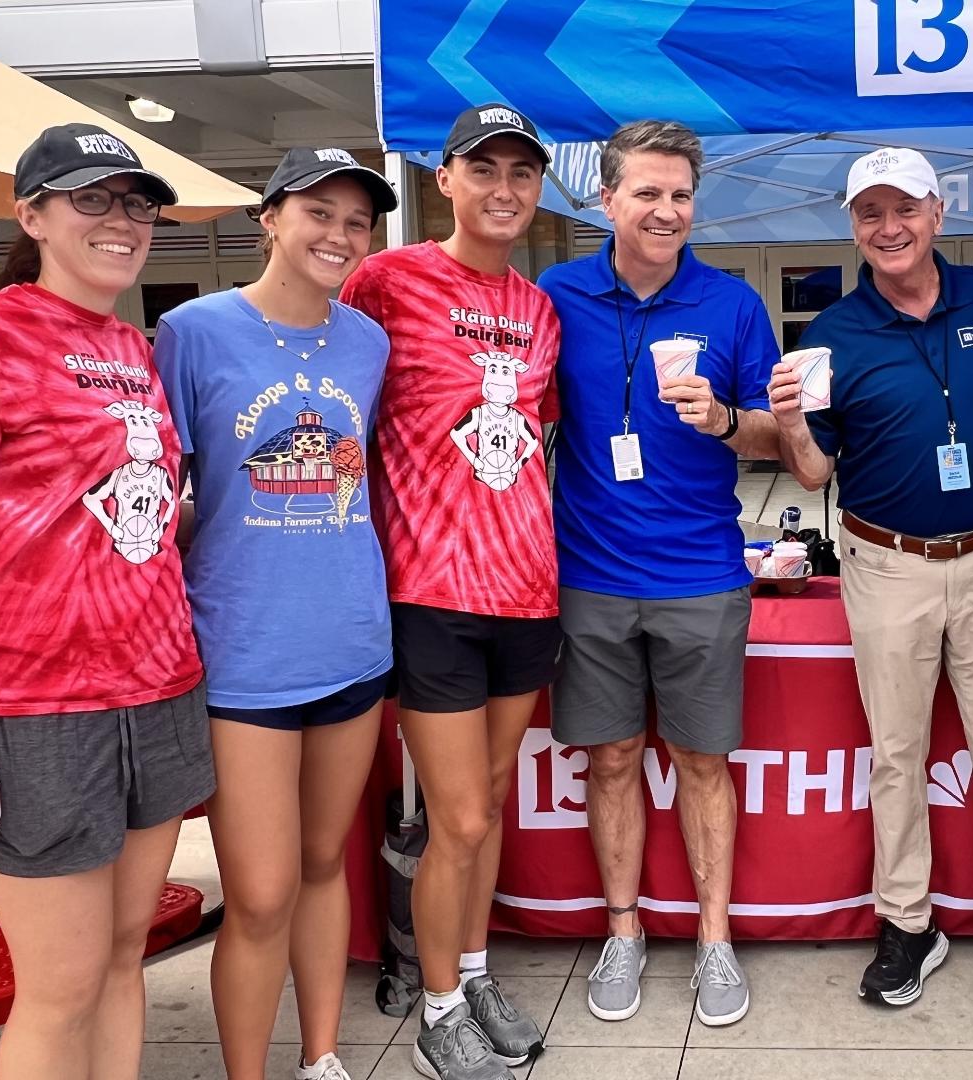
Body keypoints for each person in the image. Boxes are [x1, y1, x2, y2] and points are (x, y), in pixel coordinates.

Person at [0, 123, 211, 1080]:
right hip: (39, 713)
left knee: (123, 957)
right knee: (60, 987)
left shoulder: (130, 344)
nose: (123, 222)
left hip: (157, 691)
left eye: (137, 203)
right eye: (93, 199)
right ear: (31, 214)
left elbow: (122, 517)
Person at [768, 147, 973, 1016]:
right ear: (853, 225)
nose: (888, 229)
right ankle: (907, 923)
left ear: (937, 215)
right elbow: (814, 474)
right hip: (885, 562)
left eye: (904, 210)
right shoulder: (833, 332)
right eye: (869, 214)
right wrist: (787, 422)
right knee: (895, 755)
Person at [155, 147, 398, 1080]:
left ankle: (323, 1057)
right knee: (259, 894)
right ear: (270, 218)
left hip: (351, 641)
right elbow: (155, 488)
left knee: (327, 862)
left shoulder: (368, 342)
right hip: (242, 656)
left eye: (357, 222)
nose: (339, 236)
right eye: (319, 214)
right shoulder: (192, 332)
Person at [539, 119, 780, 1030]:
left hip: (703, 574)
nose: (666, 209)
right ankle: (624, 930)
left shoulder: (731, 303)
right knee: (609, 762)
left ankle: (715, 940)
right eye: (647, 192)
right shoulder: (555, 295)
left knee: (704, 764)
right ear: (606, 200)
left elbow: (769, 435)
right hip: (589, 574)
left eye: (680, 194)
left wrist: (722, 416)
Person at [339, 105, 561, 1080]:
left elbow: (533, 442)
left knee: (494, 801)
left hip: (528, 586)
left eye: (522, 172)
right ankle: (435, 1010)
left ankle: (472, 975)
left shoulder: (541, 308)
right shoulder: (388, 280)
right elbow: (337, 409)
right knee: (458, 817)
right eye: (486, 170)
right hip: (429, 588)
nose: (504, 188)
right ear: (448, 180)